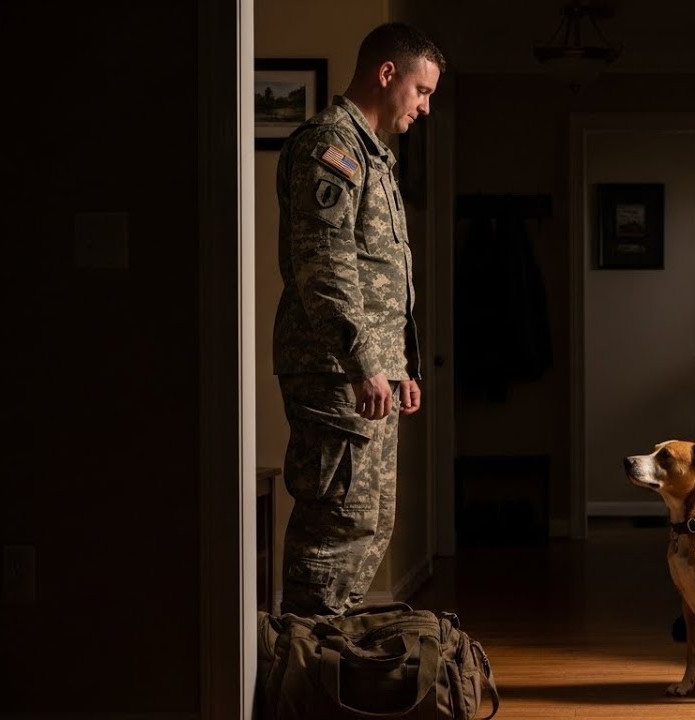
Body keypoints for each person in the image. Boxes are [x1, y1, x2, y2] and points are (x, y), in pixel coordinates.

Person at [272, 22, 443, 617]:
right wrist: (366, 362)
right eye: (421, 92)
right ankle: (301, 671)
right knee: (337, 523)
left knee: (370, 523)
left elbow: (380, 273)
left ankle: (332, 668)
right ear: (387, 73)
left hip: (368, 374)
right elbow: (324, 264)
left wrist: (399, 367)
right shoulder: (330, 146)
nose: (424, 108)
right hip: (333, 370)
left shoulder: (376, 154)